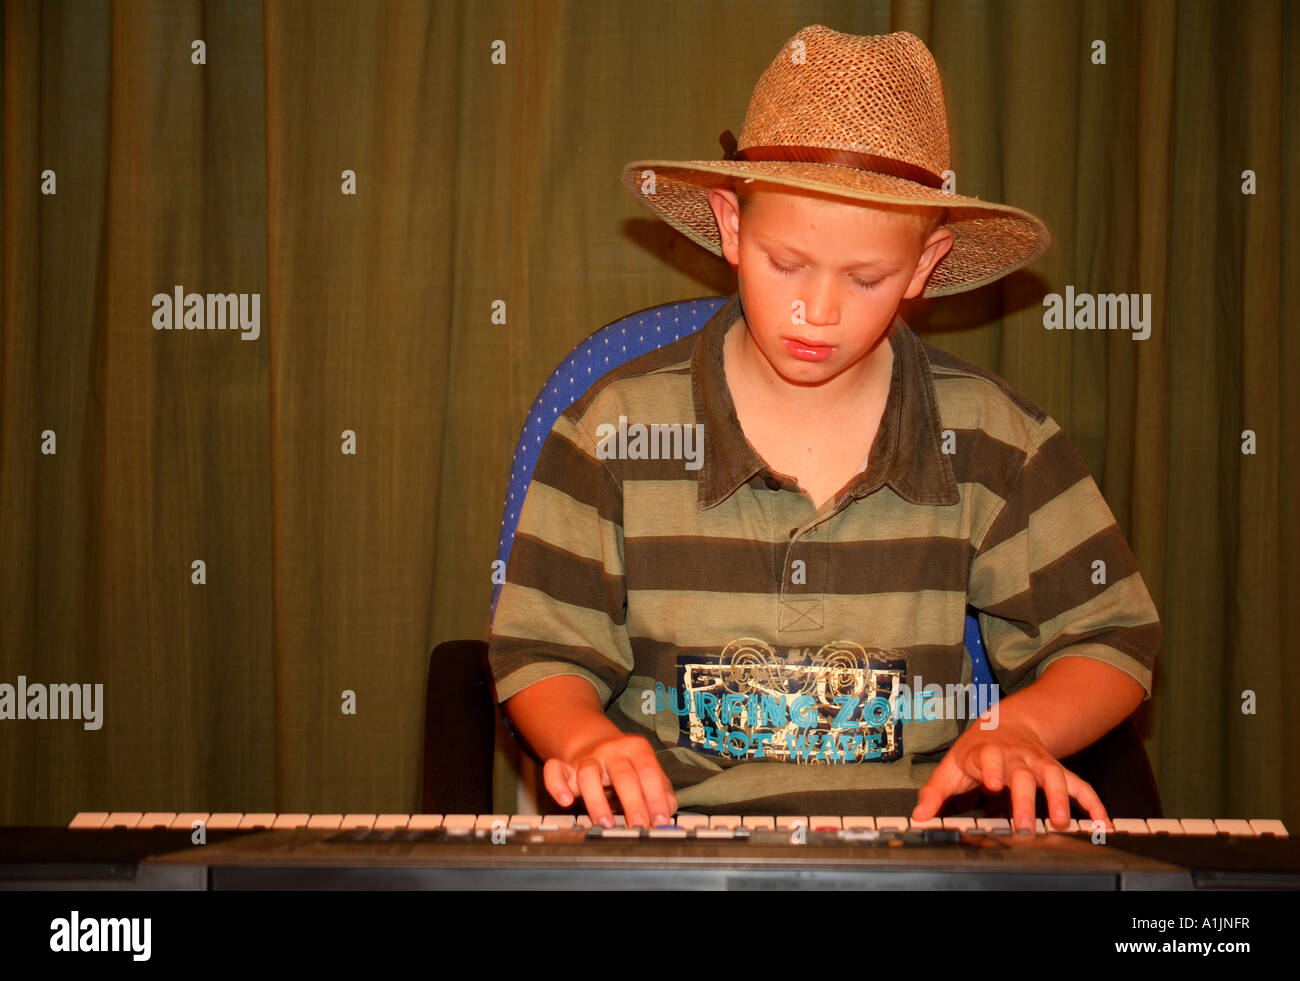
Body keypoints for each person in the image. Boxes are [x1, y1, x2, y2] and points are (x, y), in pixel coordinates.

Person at [486, 26, 1160, 833]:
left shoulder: (992, 441)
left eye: (866, 278)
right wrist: (584, 735)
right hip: (673, 855)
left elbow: (1111, 634)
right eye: (787, 264)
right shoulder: (615, 430)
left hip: (911, 862)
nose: (819, 311)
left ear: (924, 266)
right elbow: (541, 649)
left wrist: (1020, 729)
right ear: (730, 228)